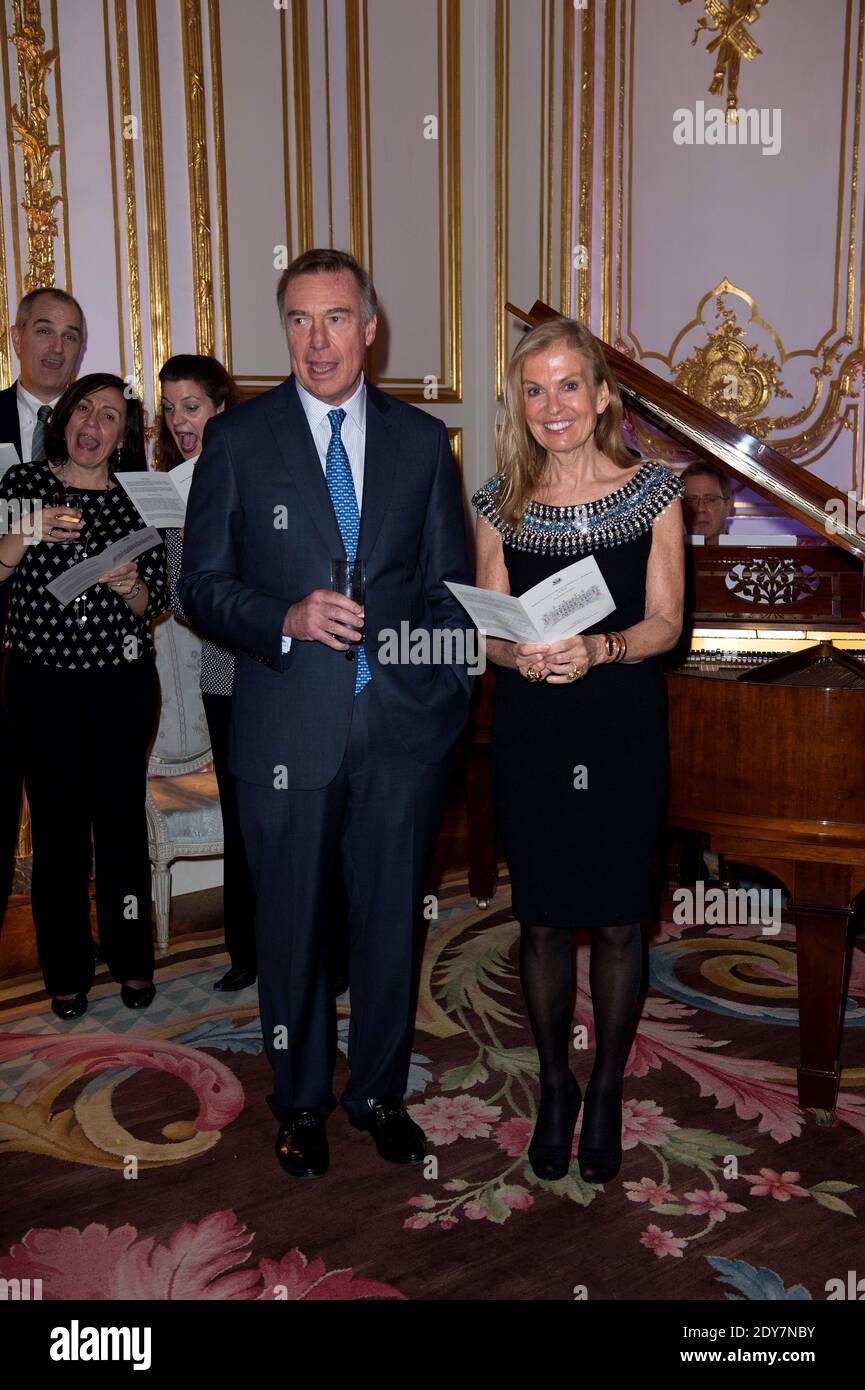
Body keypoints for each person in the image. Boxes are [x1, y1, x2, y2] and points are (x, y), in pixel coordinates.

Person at [179, 248, 473, 1178]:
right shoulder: (239, 439)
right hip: (285, 735)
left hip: (399, 735)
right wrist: (284, 618)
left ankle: (378, 1091)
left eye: (336, 318)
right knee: (292, 928)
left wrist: (441, 706)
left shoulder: (423, 443)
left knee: (392, 923)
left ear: (370, 328)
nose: (318, 341)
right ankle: (299, 1100)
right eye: (300, 321)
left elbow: (447, 596)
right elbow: (199, 588)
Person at [472, 318, 684, 1185]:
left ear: (600, 396)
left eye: (568, 386)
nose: (551, 405)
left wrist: (599, 649)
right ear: (517, 404)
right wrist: (512, 649)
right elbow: (486, 624)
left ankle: (605, 1092)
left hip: (620, 720)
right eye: (534, 389)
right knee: (544, 917)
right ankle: (554, 1084)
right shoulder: (497, 502)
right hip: (533, 727)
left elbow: (667, 624)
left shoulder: (657, 490)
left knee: (618, 920)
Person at [0, 372, 168, 1019]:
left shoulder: (139, 498)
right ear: (65, 418)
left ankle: (131, 960)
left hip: (121, 686)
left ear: (123, 434)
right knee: (59, 833)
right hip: (41, 688)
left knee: (121, 827)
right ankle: (66, 972)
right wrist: (29, 531)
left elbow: (157, 601)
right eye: (84, 410)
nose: (93, 424)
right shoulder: (24, 484)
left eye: (109, 416)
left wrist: (129, 587)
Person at [156, 354, 257, 992]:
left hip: (288, 675)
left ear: (221, 408)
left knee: (303, 819)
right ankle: (245, 952)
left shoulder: (261, 469)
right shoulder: (173, 490)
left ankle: (320, 946)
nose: (178, 422)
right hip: (225, 678)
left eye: (190, 406)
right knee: (243, 820)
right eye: (168, 410)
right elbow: (177, 599)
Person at [0, 288, 86, 928]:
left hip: (78, 665)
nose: (57, 347)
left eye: (72, 336)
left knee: (69, 817)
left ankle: (71, 957)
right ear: (16, 338)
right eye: (45, 331)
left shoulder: (108, 430)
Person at [681, 461, 733, 540]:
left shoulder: (749, 552)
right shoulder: (664, 552)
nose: (700, 509)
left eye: (711, 499)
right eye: (690, 500)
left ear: (728, 507)